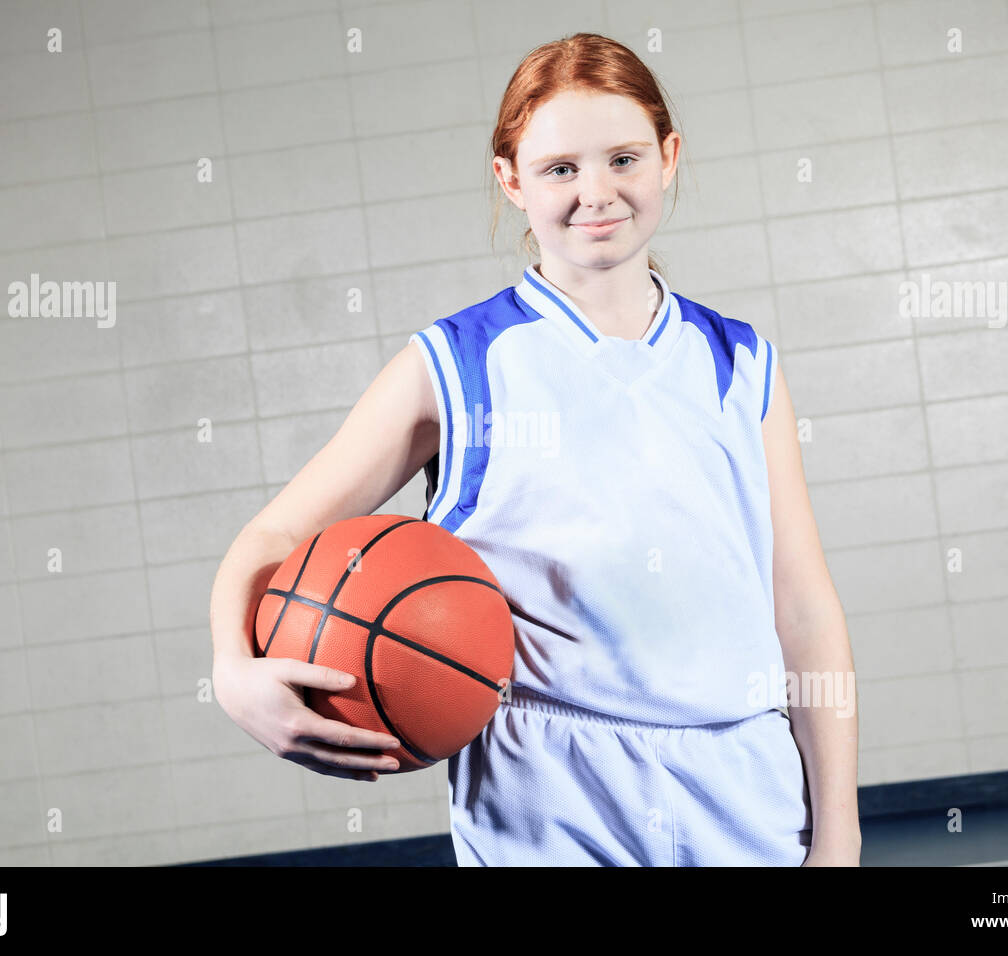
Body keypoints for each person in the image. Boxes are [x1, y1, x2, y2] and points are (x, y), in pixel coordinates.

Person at [211, 32, 861, 866]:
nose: (597, 192)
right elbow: (271, 539)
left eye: (623, 158)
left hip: (743, 788)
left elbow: (803, 609)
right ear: (510, 179)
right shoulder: (455, 363)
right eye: (560, 169)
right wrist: (234, 671)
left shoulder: (741, 362)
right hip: (548, 796)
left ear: (668, 157)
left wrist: (837, 831)